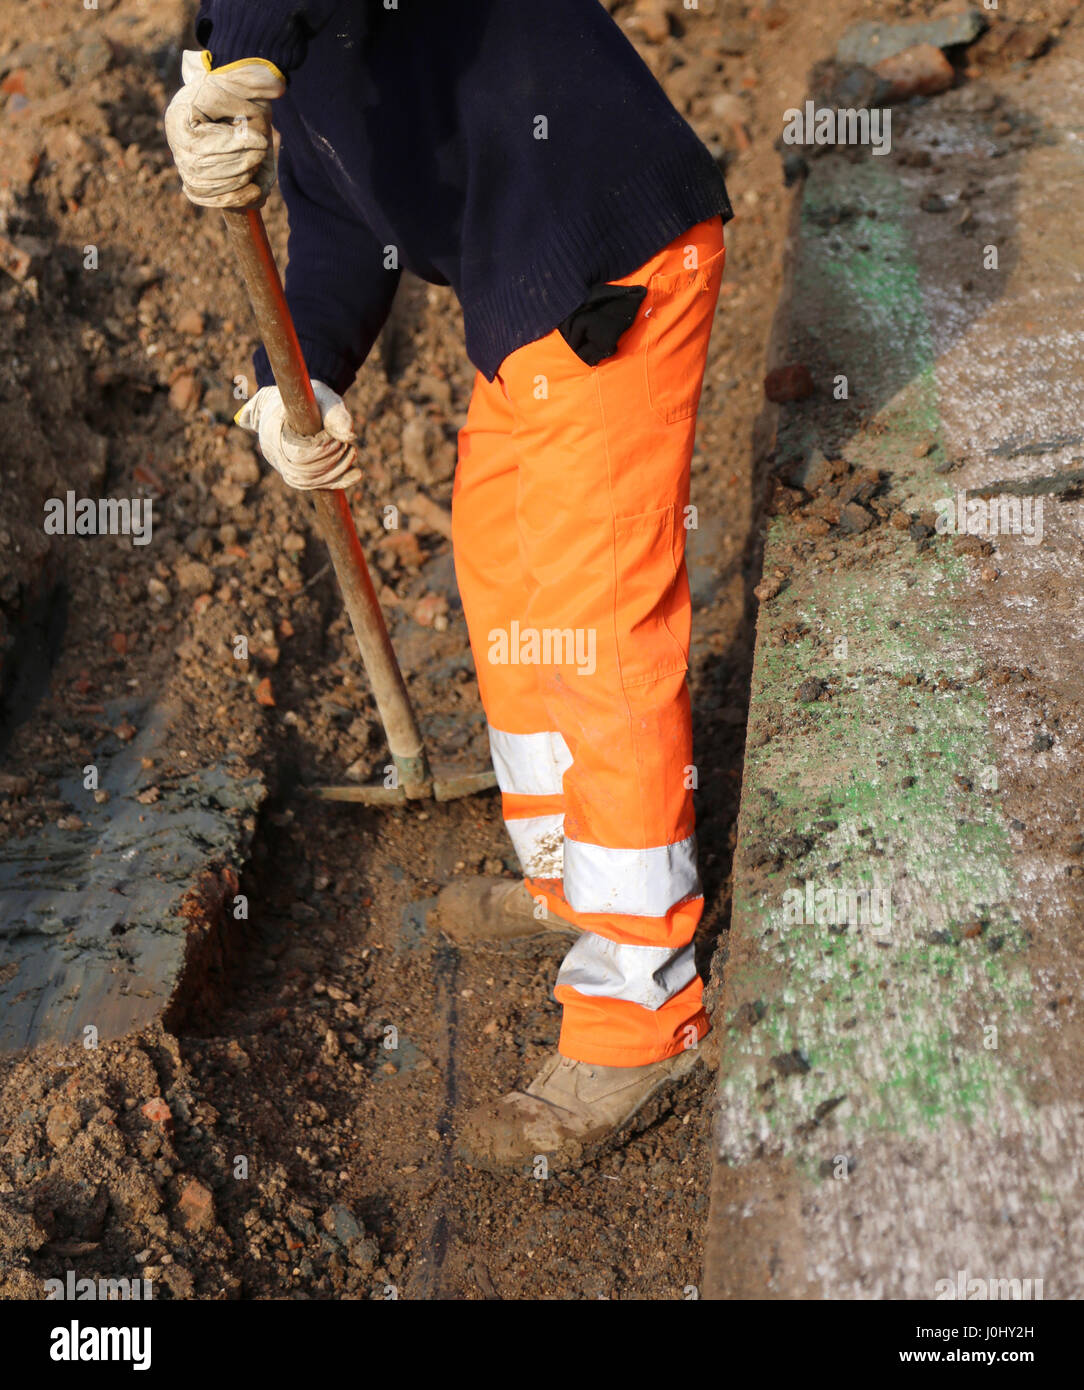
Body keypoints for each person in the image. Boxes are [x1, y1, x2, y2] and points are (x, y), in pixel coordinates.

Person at [165, 0, 733, 1170]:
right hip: (525, 304)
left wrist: (241, 62)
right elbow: (335, 229)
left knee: (594, 618)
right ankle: (569, 870)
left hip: (606, 255)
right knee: (502, 560)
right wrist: (295, 384)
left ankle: (641, 1011)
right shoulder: (272, 45)